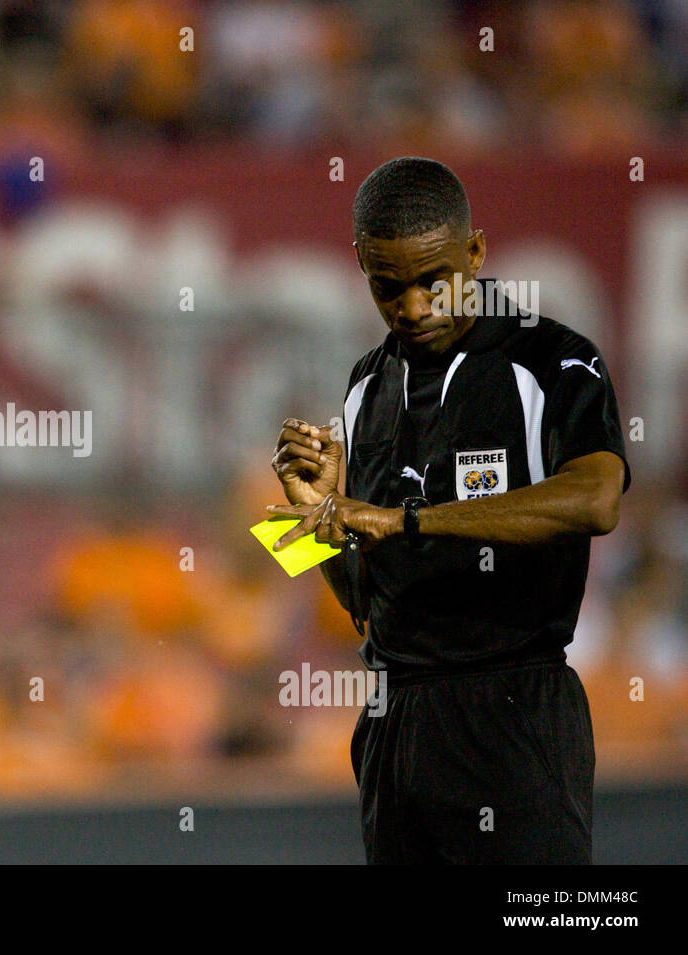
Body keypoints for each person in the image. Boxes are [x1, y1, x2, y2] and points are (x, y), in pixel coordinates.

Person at [268, 156, 630, 863]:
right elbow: (365, 605)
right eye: (387, 287)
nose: (412, 307)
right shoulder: (366, 387)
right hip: (393, 724)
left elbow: (597, 497)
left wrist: (407, 519)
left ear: (477, 251)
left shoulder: (551, 360)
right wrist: (309, 521)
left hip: (514, 711)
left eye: (435, 281)